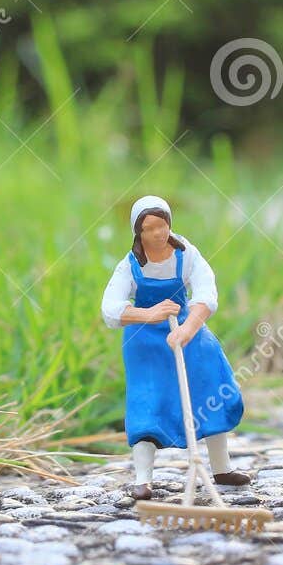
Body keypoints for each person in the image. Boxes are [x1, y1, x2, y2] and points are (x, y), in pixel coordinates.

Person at [101, 195, 247, 501]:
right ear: (138, 233)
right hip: (144, 341)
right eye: (149, 227)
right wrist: (148, 314)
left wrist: (189, 328)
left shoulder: (187, 254)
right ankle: (143, 479)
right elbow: (110, 309)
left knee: (210, 388)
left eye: (162, 225)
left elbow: (206, 290)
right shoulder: (129, 266)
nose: (158, 233)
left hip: (188, 328)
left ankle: (221, 467)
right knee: (147, 401)